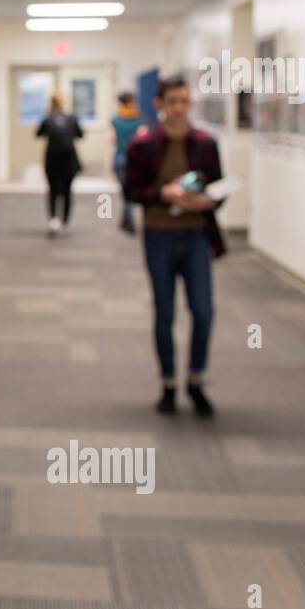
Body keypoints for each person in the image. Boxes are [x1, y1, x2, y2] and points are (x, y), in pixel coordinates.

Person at [123, 76, 227, 416]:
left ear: (191, 103)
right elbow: (132, 191)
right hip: (159, 235)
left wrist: (207, 203)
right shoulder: (144, 145)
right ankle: (168, 382)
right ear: (160, 105)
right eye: (172, 102)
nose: (179, 108)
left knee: (203, 311)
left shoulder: (205, 144)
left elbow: (217, 190)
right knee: (164, 313)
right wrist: (162, 194)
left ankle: (195, 379)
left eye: (184, 101)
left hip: (196, 236)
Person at [35, 93, 83, 237]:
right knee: (67, 190)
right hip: (69, 160)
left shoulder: (47, 119)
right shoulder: (72, 119)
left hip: (52, 160)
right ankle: (65, 221)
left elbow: (38, 134)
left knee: (53, 190)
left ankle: (53, 219)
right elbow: (80, 135)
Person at [109, 91, 146, 234]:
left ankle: (126, 218)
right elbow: (143, 140)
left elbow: (111, 139)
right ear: (130, 102)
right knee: (130, 190)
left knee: (125, 189)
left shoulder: (115, 120)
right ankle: (128, 218)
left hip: (119, 157)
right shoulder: (139, 121)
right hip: (134, 159)